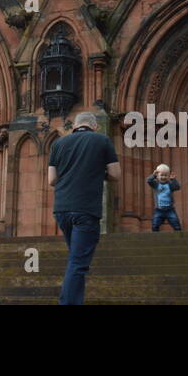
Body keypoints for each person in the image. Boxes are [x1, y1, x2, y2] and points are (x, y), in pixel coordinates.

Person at [48, 111, 120, 305]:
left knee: (76, 260)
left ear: (74, 127)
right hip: (85, 209)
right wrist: (97, 171)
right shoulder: (101, 140)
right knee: (78, 263)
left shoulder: (58, 144)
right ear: (94, 126)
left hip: (61, 209)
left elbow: (52, 179)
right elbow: (115, 174)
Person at [146, 164, 182, 231]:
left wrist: (174, 180)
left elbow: (178, 187)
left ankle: (179, 235)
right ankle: (156, 237)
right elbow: (148, 181)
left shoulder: (170, 184)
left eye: (166, 175)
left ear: (168, 176)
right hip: (159, 209)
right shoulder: (156, 184)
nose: (163, 177)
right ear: (157, 176)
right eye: (161, 175)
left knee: (176, 224)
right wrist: (153, 175)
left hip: (170, 209)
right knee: (155, 224)